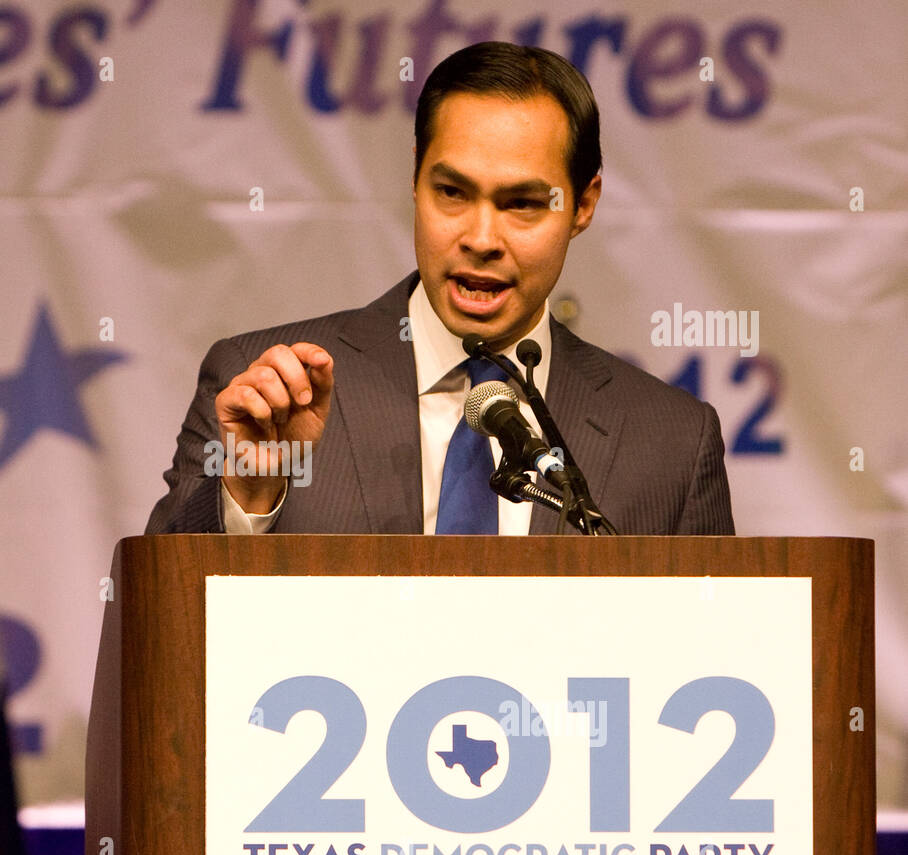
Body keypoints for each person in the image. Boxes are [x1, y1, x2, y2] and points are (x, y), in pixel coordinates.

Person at [146, 42, 734, 536]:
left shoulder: (674, 444)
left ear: (582, 204)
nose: (480, 237)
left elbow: (713, 658)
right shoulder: (266, 391)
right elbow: (165, 631)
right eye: (452, 193)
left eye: (522, 204)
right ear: (415, 180)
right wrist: (247, 498)